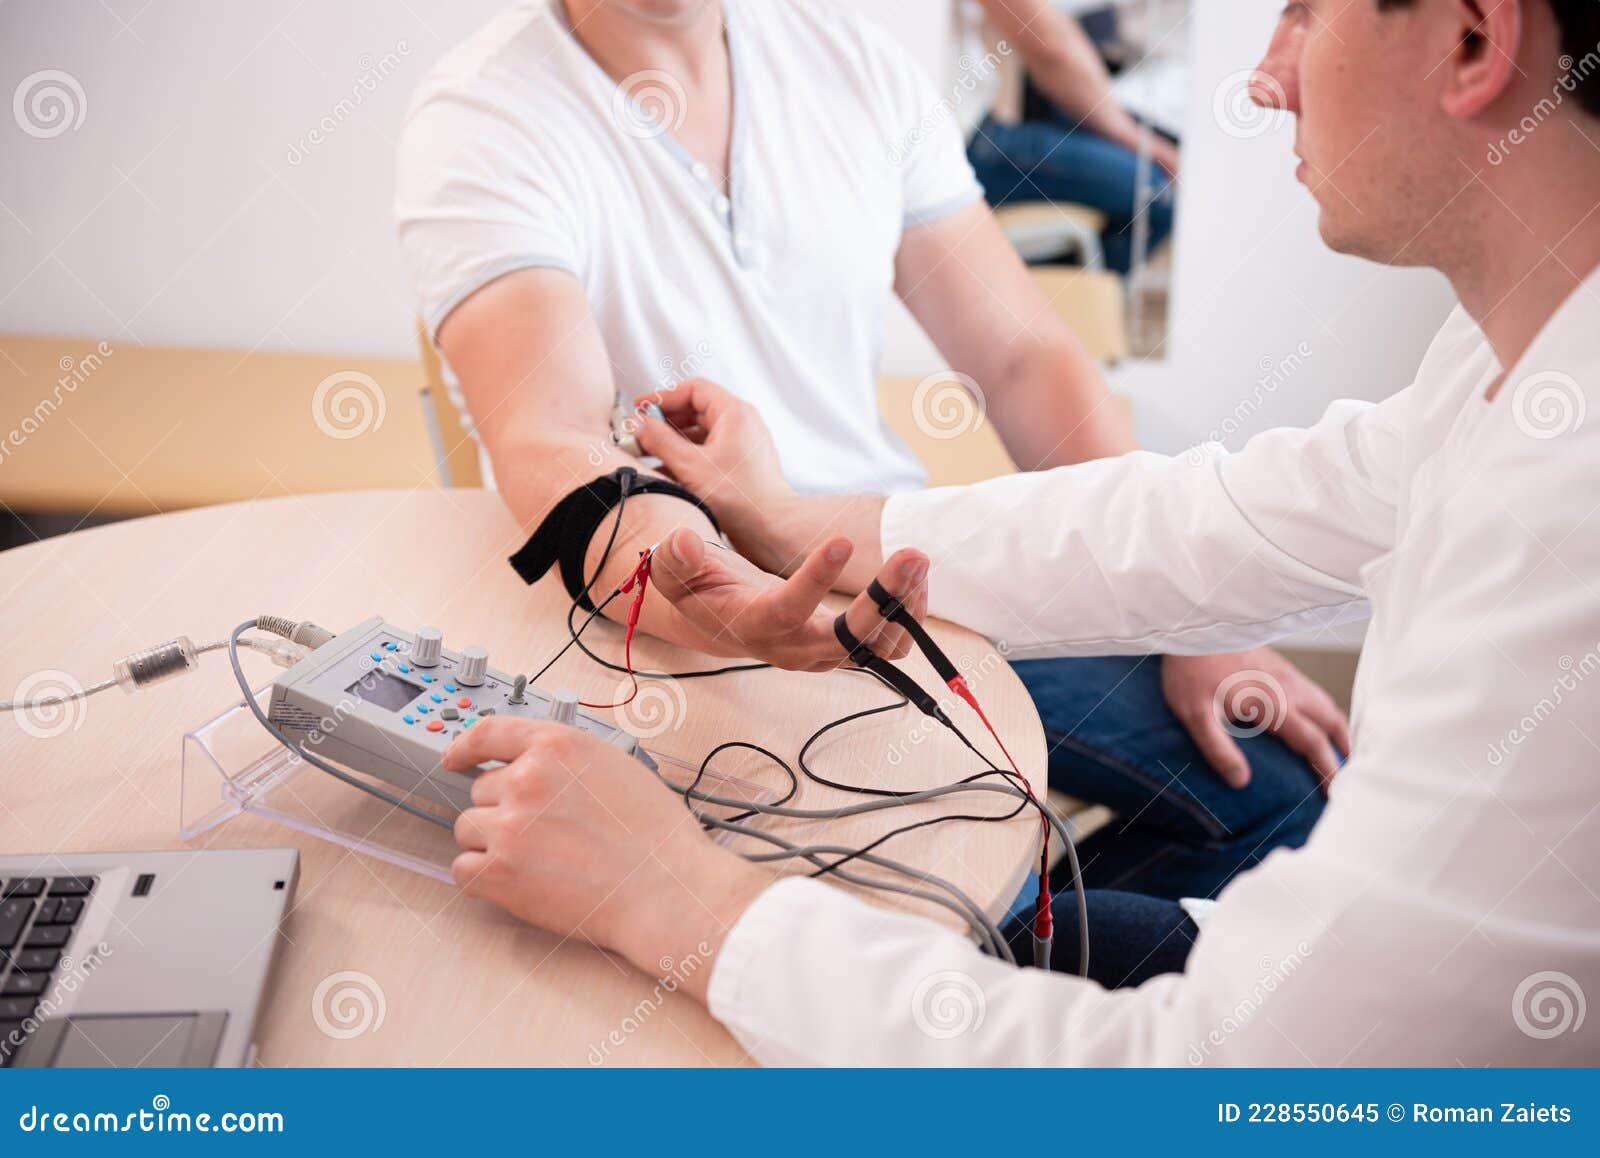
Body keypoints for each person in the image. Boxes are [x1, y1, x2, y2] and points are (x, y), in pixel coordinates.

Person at [441, 0, 1600, 1063]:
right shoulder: (1506, 359)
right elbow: (1217, 519)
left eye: (1302, 11)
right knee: (968, 919)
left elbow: (1209, 1081)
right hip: (803, 573)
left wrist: (682, 903)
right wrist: (787, 525)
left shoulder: (1564, 512)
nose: (1260, 79)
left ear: (1468, 41)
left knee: (1250, 794)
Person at [395, 0, 1345, 956]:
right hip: (675, 631)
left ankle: (962, 967)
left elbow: (1022, 356)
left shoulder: (853, 64)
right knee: (935, 875)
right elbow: (550, 434)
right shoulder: (488, 114)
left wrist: (1183, 603)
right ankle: (939, 962)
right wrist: (717, 595)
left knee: (1279, 786)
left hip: (892, 561)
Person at [954, 0, 1180, 274]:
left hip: (970, 134)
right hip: (966, 147)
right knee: (1156, 196)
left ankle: (1022, 287)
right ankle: (1023, 292)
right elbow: (1049, 50)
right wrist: (1143, 145)